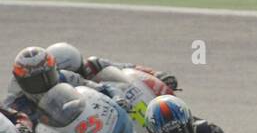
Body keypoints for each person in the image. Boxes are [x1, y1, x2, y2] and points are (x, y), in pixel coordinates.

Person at [45, 42, 179, 90]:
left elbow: (128, 68)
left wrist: (155, 75)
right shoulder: (55, 88)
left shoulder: (93, 64)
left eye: (77, 71)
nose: (74, 76)